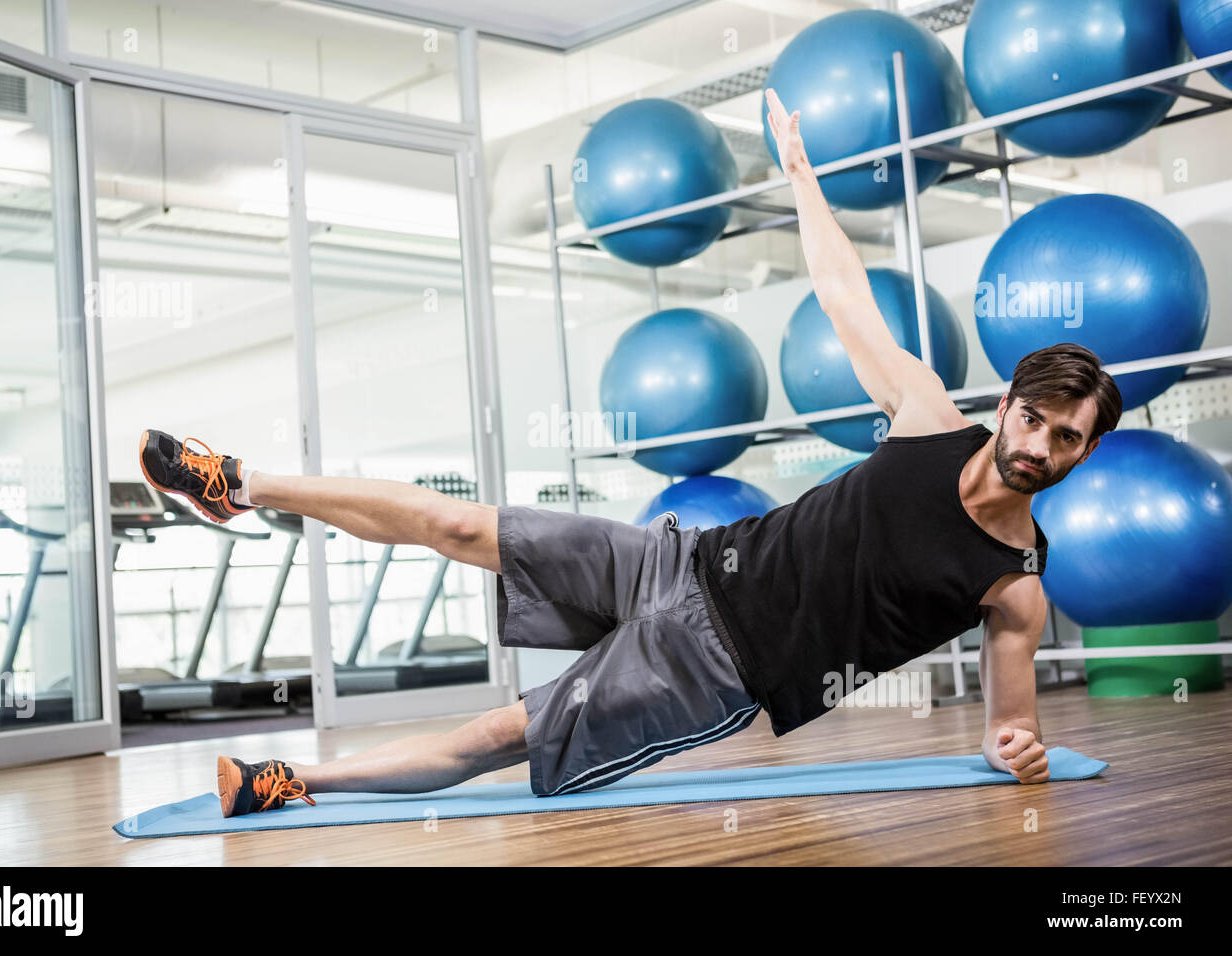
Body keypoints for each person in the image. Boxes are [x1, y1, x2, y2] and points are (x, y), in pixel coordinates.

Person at [138, 88, 1122, 818]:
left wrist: (1015, 746)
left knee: (502, 731)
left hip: (715, 663)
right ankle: (238, 482)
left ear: (1083, 456)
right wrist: (801, 176)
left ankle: (289, 781)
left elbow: (1009, 722)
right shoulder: (923, 415)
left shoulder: (1016, 584)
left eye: (1066, 436)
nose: (1040, 442)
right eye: (1034, 417)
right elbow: (841, 293)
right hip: (683, 558)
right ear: (1007, 404)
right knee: (455, 518)